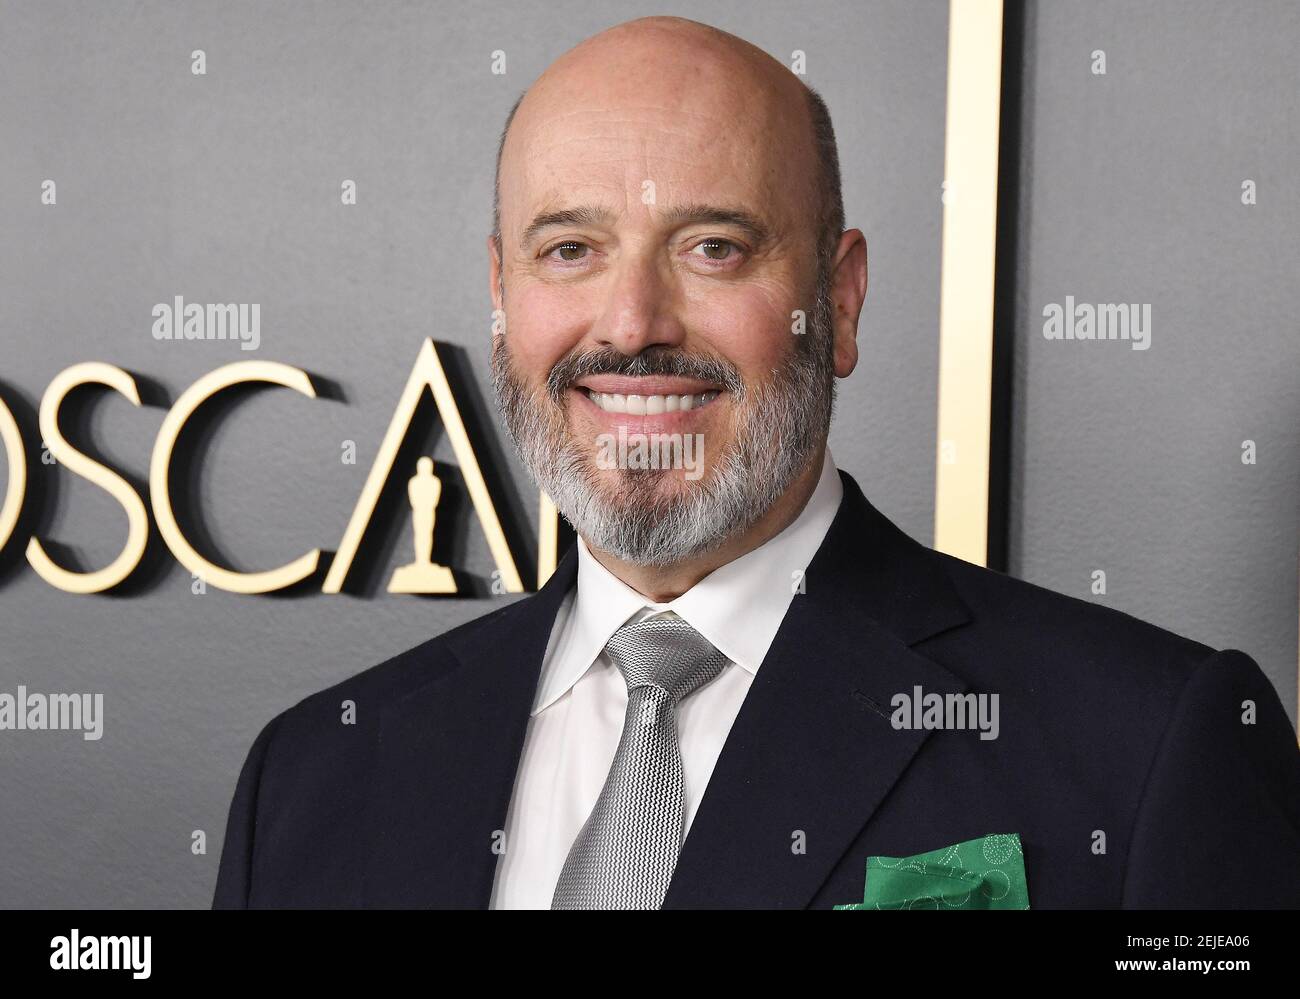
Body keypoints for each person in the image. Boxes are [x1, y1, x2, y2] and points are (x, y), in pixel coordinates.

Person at [213, 16, 1300, 909]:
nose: (632, 322)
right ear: (502, 296)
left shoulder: (1152, 745)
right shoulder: (319, 777)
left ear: (837, 299)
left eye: (713, 248)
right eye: (570, 250)